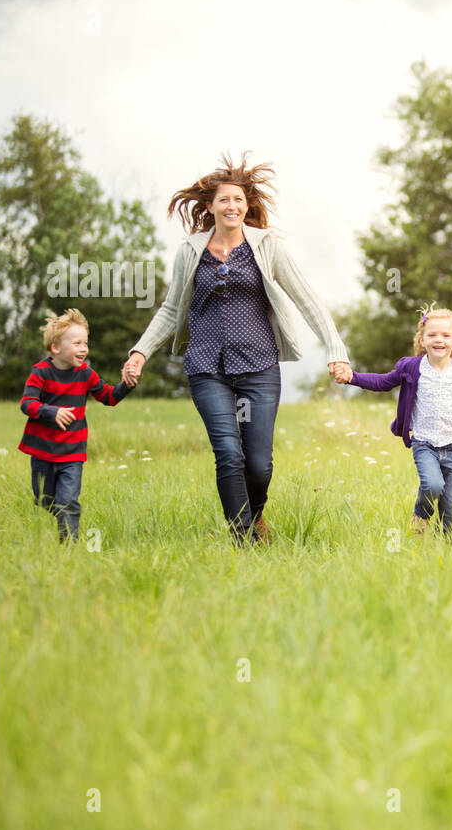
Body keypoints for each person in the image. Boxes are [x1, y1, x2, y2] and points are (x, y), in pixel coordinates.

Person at [120, 153, 350, 546]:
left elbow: (307, 299)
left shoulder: (267, 247)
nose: (232, 206)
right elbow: (171, 307)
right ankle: (243, 539)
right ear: (210, 206)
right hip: (207, 367)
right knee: (228, 452)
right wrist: (140, 351)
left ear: (247, 206)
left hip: (259, 366)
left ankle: (254, 517)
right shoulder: (190, 251)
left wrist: (335, 348)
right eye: (224, 200)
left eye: (239, 200)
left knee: (258, 465)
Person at [333, 306, 452, 536]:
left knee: (451, 510)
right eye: (432, 335)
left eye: (446, 336)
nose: (439, 340)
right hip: (424, 442)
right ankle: (421, 515)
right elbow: (383, 382)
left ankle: (446, 547)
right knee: (433, 485)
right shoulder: (412, 367)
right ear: (422, 339)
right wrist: (352, 377)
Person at [18, 308, 134, 542]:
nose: (84, 349)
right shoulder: (40, 372)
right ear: (56, 348)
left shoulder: (85, 374)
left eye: (85, 343)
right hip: (42, 452)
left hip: (72, 453)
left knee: (68, 501)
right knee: (44, 500)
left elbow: (108, 397)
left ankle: (69, 544)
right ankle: (61, 521)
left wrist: (127, 383)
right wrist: (52, 412)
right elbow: (26, 403)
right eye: (77, 343)